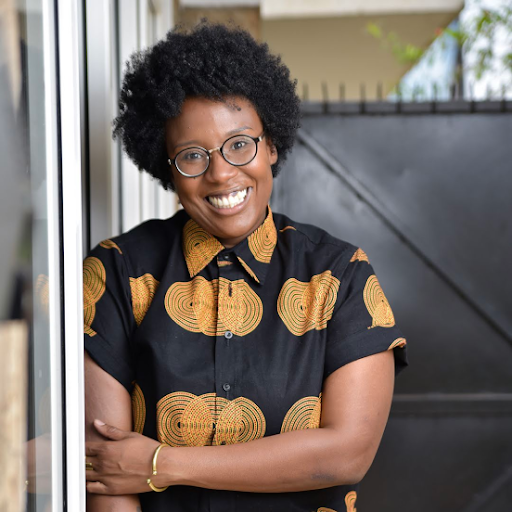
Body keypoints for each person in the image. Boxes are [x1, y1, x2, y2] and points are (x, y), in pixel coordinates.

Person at [84, 22, 408, 512]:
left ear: (271, 146)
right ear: (167, 169)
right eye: (192, 155)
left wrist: (163, 464)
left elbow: (347, 454)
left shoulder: (339, 277)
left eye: (240, 144)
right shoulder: (117, 273)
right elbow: (108, 473)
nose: (220, 173)